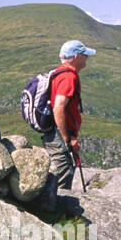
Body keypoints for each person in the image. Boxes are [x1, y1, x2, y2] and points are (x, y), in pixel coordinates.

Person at [41, 39, 95, 189]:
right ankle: (57, 211)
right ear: (77, 56)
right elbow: (58, 108)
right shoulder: (68, 77)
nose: (87, 58)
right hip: (59, 134)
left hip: (55, 131)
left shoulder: (60, 72)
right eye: (85, 55)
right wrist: (67, 138)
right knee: (63, 172)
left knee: (63, 170)